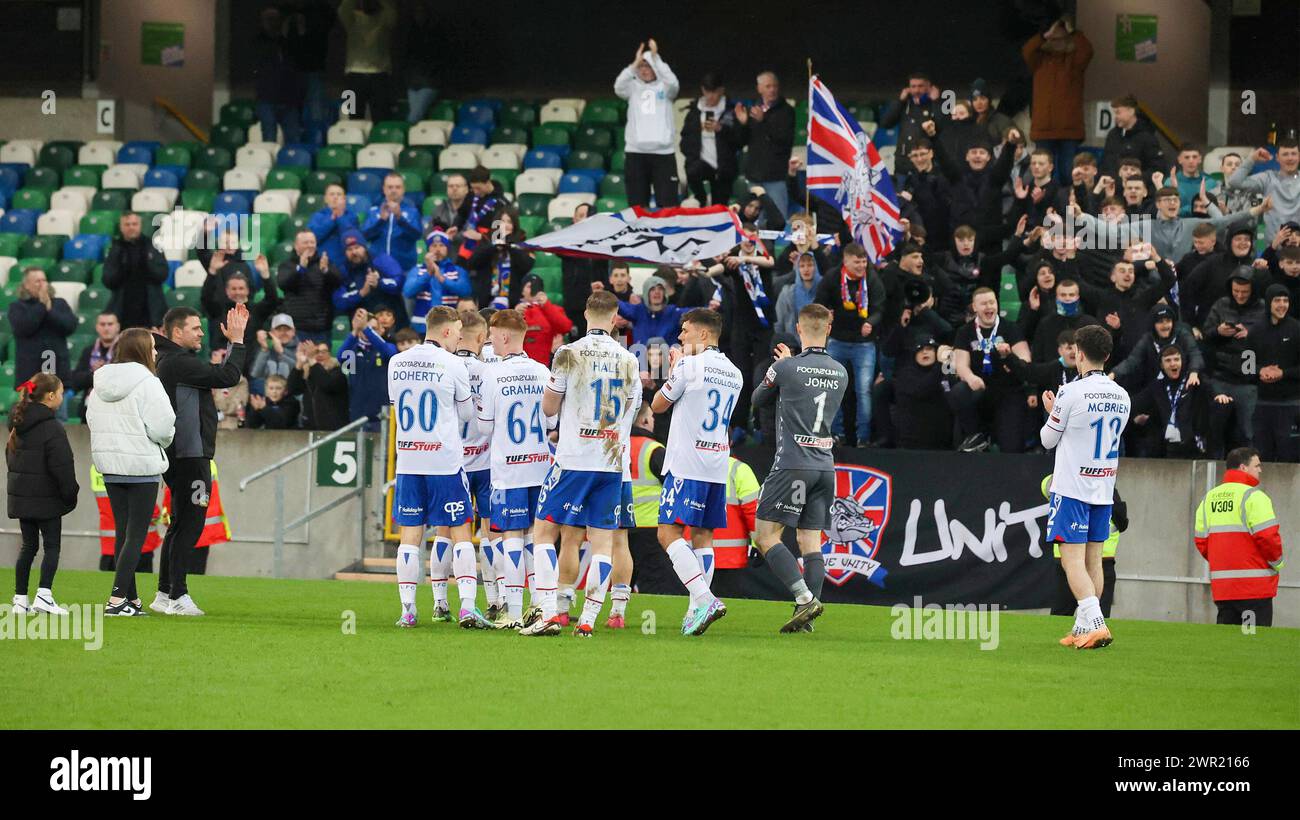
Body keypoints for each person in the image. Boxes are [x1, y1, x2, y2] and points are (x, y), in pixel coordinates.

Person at [523, 291, 640, 637]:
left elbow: (547, 407)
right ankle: (588, 619)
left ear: (586, 313)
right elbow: (630, 410)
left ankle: (550, 612)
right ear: (616, 315)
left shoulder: (568, 353)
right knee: (604, 542)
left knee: (545, 532)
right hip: (611, 461)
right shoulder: (629, 359)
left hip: (574, 458)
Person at [387, 306, 487, 629]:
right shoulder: (454, 363)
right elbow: (468, 414)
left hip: (409, 460)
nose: (460, 337)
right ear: (446, 331)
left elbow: (394, 404)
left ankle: (407, 611)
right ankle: (468, 607)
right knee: (460, 532)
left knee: (410, 536)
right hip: (444, 461)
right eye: (458, 331)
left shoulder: (396, 362)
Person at [750, 303, 846, 632]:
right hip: (825, 466)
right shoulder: (841, 371)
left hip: (793, 465)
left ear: (799, 328)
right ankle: (806, 621)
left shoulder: (787, 367)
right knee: (810, 541)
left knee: (765, 536)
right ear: (828, 329)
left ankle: (805, 598)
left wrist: (779, 367)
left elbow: (758, 399)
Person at [151, 304, 249, 616]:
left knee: (179, 524)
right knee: (191, 525)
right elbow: (228, 375)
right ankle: (178, 595)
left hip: (182, 453)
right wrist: (239, 341)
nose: (201, 333)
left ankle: (165, 593)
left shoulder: (172, 360)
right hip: (190, 454)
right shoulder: (178, 361)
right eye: (195, 328)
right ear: (177, 332)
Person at [650, 309, 742, 634]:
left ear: (703, 335)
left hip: (686, 463)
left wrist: (673, 369)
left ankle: (704, 598)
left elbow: (658, 405)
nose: (680, 337)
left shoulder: (689, 365)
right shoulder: (735, 372)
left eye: (686, 331)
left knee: (667, 533)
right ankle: (696, 611)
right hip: (717, 463)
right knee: (703, 536)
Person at [1040, 324, 1130, 649]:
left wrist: (1053, 413)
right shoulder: (1122, 394)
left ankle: (1096, 624)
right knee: (1095, 560)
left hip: (1072, 488)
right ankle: (1082, 628)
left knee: (1071, 561)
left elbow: (1047, 439)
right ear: (1107, 355)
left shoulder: (1070, 392)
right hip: (1103, 488)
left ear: (1078, 354)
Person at [85, 328, 176, 617]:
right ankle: (116, 599)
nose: (156, 352)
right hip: (141, 467)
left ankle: (132, 600)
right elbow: (164, 426)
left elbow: (91, 419)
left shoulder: (100, 383)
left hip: (110, 468)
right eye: (152, 347)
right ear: (140, 350)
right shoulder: (149, 382)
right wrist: (157, 440)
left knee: (123, 534)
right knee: (136, 536)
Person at [476, 309, 552, 629]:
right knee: (537, 537)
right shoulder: (542, 371)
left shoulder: (492, 374)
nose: (490, 342)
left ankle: (512, 610)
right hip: (540, 466)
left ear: (504, 336)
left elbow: (483, 427)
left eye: (492, 335)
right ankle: (540, 605)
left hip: (509, 469)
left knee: (511, 537)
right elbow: (551, 420)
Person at [7, 374, 78, 616]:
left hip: (22, 498)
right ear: (50, 396)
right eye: (59, 392)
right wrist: (70, 495)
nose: (61, 396)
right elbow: (63, 467)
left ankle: (19, 599)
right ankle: (44, 596)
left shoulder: (18, 424)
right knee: (52, 547)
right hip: (47, 499)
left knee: (28, 546)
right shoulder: (52, 428)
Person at [1194, 447, 1285, 627]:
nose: (1260, 470)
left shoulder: (1208, 498)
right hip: (1253, 589)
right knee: (1252, 645)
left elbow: (1202, 542)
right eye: (1257, 465)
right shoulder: (1254, 497)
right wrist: (1278, 563)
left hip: (1223, 589)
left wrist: (1223, 563)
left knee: (1228, 648)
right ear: (1243, 468)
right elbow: (1268, 538)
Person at [814, 243, 885, 446]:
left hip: (864, 344)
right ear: (846, 261)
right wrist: (826, 312)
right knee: (832, 387)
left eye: (864, 261)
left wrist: (871, 322)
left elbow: (881, 307)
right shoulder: (832, 277)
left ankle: (863, 437)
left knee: (864, 391)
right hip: (837, 341)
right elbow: (818, 302)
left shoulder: (872, 278)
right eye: (857, 262)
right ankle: (837, 434)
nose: (862, 266)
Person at [950, 287, 1032, 453]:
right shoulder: (965, 331)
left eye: (992, 302)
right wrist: (971, 378)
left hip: (1007, 392)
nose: (989, 307)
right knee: (959, 390)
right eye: (984, 304)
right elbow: (960, 364)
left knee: (1011, 447)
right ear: (974, 307)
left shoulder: (1011, 328)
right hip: (979, 389)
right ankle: (975, 437)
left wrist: (1010, 357)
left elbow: (1025, 360)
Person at [1041, 474, 1126, 618]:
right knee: (1073, 612)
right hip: (1098, 559)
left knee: (1067, 612)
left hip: (1080, 557)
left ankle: (1093, 627)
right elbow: (1123, 522)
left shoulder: (1067, 481)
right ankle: (1093, 627)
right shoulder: (1107, 492)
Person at [1022, 16, 1092, 186]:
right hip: (1043, 129)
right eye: (1054, 37)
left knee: (1069, 174)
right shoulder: (1039, 60)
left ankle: (1070, 208)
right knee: (1043, 177)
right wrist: (1043, 35)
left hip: (1070, 130)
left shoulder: (1075, 61)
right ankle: (1045, 209)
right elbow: (1027, 51)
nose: (1057, 41)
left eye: (1062, 37)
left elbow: (1087, 50)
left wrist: (1073, 32)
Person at [614, 38, 680, 208]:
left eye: (648, 65)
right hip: (636, 153)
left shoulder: (666, 89)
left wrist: (656, 58)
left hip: (663, 153)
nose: (645, 70)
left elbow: (672, 81)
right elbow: (618, 86)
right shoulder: (632, 88)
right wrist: (634, 63)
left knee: (668, 205)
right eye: (642, 66)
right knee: (637, 207)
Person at [734, 71, 795, 218]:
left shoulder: (786, 112)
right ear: (759, 89)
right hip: (755, 177)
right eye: (768, 86)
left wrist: (764, 122)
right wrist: (743, 124)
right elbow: (741, 143)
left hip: (775, 177)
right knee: (752, 220)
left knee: (777, 220)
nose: (772, 90)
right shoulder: (753, 110)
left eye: (774, 86)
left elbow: (784, 140)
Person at [9, 267, 77, 388]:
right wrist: (42, 305)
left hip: (58, 374)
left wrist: (50, 310)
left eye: (43, 280)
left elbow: (70, 326)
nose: (42, 284)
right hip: (30, 377)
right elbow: (24, 327)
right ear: (26, 285)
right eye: (37, 281)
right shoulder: (17, 307)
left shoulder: (59, 303)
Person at [1254, 284, 1300, 461]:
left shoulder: (1296, 329)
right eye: (1277, 300)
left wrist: (1283, 373)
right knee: (1263, 455)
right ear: (1268, 303)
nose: (1282, 305)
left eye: (1285, 300)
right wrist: (1260, 370)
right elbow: (1245, 365)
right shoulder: (1256, 331)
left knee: (1288, 455)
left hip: (1291, 405)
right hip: (1262, 405)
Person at [680, 72, 739, 206]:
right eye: (707, 91)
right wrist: (696, 132)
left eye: (714, 92)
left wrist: (721, 129)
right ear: (703, 90)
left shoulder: (732, 111)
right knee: (692, 172)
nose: (710, 96)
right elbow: (684, 141)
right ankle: (701, 198)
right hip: (701, 163)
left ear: (721, 91)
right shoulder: (694, 112)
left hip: (724, 168)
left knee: (719, 208)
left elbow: (740, 140)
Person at [102, 212, 169, 330]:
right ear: (121, 227)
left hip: (150, 312)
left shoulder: (152, 246)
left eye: (134, 224)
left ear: (140, 225)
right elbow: (107, 280)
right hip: (123, 313)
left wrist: (147, 264)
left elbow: (163, 274)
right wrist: (123, 268)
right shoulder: (115, 248)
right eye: (127, 224)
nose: (131, 227)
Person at [277, 229, 341, 345]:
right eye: (305, 242)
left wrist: (326, 271)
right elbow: (283, 284)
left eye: (312, 242)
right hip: (297, 329)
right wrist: (301, 268)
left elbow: (338, 282)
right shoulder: (287, 265)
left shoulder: (325, 263)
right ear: (296, 246)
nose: (309, 246)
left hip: (322, 328)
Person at [332, 229, 407, 326]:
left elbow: (400, 282)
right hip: (363, 329)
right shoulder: (343, 271)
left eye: (357, 247)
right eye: (349, 249)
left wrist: (379, 283)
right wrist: (361, 293)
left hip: (392, 324)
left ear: (364, 247)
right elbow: (339, 301)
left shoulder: (381, 260)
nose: (354, 252)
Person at [337, 0, 397, 121]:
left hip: (379, 75)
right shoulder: (352, 18)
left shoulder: (384, 17)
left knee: (382, 117)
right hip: (354, 75)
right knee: (353, 114)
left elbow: (393, 14)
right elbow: (342, 9)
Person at [1227, 140, 1300, 239]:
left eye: (1293, 154)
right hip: (1272, 248)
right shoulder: (1267, 178)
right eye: (1285, 154)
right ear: (1277, 158)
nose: (1290, 158)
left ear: (1299, 156)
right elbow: (1234, 182)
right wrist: (1252, 159)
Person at [403, 231, 472, 335]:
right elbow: (408, 292)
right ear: (428, 249)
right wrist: (427, 274)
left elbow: (466, 291)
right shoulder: (417, 270)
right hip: (422, 326)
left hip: (450, 326)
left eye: (442, 245)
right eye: (434, 245)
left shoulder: (457, 270)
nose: (438, 249)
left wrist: (443, 279)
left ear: (447, 249)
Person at [253, 5, 303, 145]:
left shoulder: (288, 43)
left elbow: (297, 65)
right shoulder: (258, 43)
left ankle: (291, 166)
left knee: (293, 138)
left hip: (288, 98)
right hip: (266, 97)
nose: (273, 22)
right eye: (269, 19)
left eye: (276, 19)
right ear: (262, 22)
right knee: (269, 138)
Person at [337, 307, 396, 427]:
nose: (368, 333)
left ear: (381, 330)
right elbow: (341, 357)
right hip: (358, 410)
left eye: (373, 329)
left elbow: (391, 354)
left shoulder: (387, 348)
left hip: (382, 411)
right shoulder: (352, 351)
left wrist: (365, 328)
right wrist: (354, 331)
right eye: (364, 330)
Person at [879, 71, 943, 179]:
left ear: (929, 87)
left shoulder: (937, 104)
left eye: (920, 86)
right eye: (913, 86)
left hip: (927, 165)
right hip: (903, 164)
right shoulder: (905, 104)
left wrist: (936, 101)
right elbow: (885, 123)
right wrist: (900, 101)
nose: (916, 90)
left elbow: (943, 127)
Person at [559, 204, 609, 335]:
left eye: (588, 217)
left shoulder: (601, 243)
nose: (585, 220)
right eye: (581, 216)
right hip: (576, 307)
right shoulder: (568, 242)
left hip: (599, 307)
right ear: (573, 219)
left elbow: (604, 275)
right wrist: (588, 287)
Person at [362, 172, 422, 272]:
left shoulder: (412, 211)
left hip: (404, 268)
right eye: (390, 187)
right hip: (378, 268)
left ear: (403, 190)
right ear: (384, 189)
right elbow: (365, 236)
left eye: (397, 187)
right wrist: (381, 220)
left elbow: (417, 235)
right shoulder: (374, 211)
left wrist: (400, 218)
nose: (393, 190)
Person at [1099, 95, 1166, 181]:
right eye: (1114, 113)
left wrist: (1136, 178)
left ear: (1131, 111)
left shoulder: (1147, 137)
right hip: (1112, 187)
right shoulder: (1113, 135)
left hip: (1137, 189)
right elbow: (1105, 163)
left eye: (1118, 112)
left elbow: (1157, 168)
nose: (1115, 117)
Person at [66, 312, 120, 418]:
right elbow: (76, 380)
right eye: (102, 324)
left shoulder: (124, 350)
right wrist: (93, 373)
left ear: (117, 327)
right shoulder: (88, 351)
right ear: (97, 327)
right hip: (89, 409)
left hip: (114, 410)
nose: (106, 328)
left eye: (110, 324)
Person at [287, 339, 349, 431]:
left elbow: (327, 384)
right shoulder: (308, 374)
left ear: (329, 354)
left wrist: (312, 359)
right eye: (316, 352)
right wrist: (299, 364)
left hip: (334, 428)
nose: (320, 355)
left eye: (323, 352)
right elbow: (293, 389)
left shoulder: (338, 373)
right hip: (310, 427)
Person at [518, 275, 572, 364]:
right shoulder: (518, 311)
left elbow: (566, 327)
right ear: (522, 290)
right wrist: (516, 314)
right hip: (521, 364)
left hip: (546, 364)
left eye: (536, 286)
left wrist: (546, 305)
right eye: (529, 286)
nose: (533, 290)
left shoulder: (552, 309)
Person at [308, 184, 361, 270]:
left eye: (339, 194)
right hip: (321, 263)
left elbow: (352, 238)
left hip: (346, 264)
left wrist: (340, 217)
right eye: (332, 194)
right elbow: (314, 238)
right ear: (325, 198)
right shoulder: (317, 216)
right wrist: (331, 220)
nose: (335, 197)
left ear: (344, 199)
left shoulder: (352, 216)